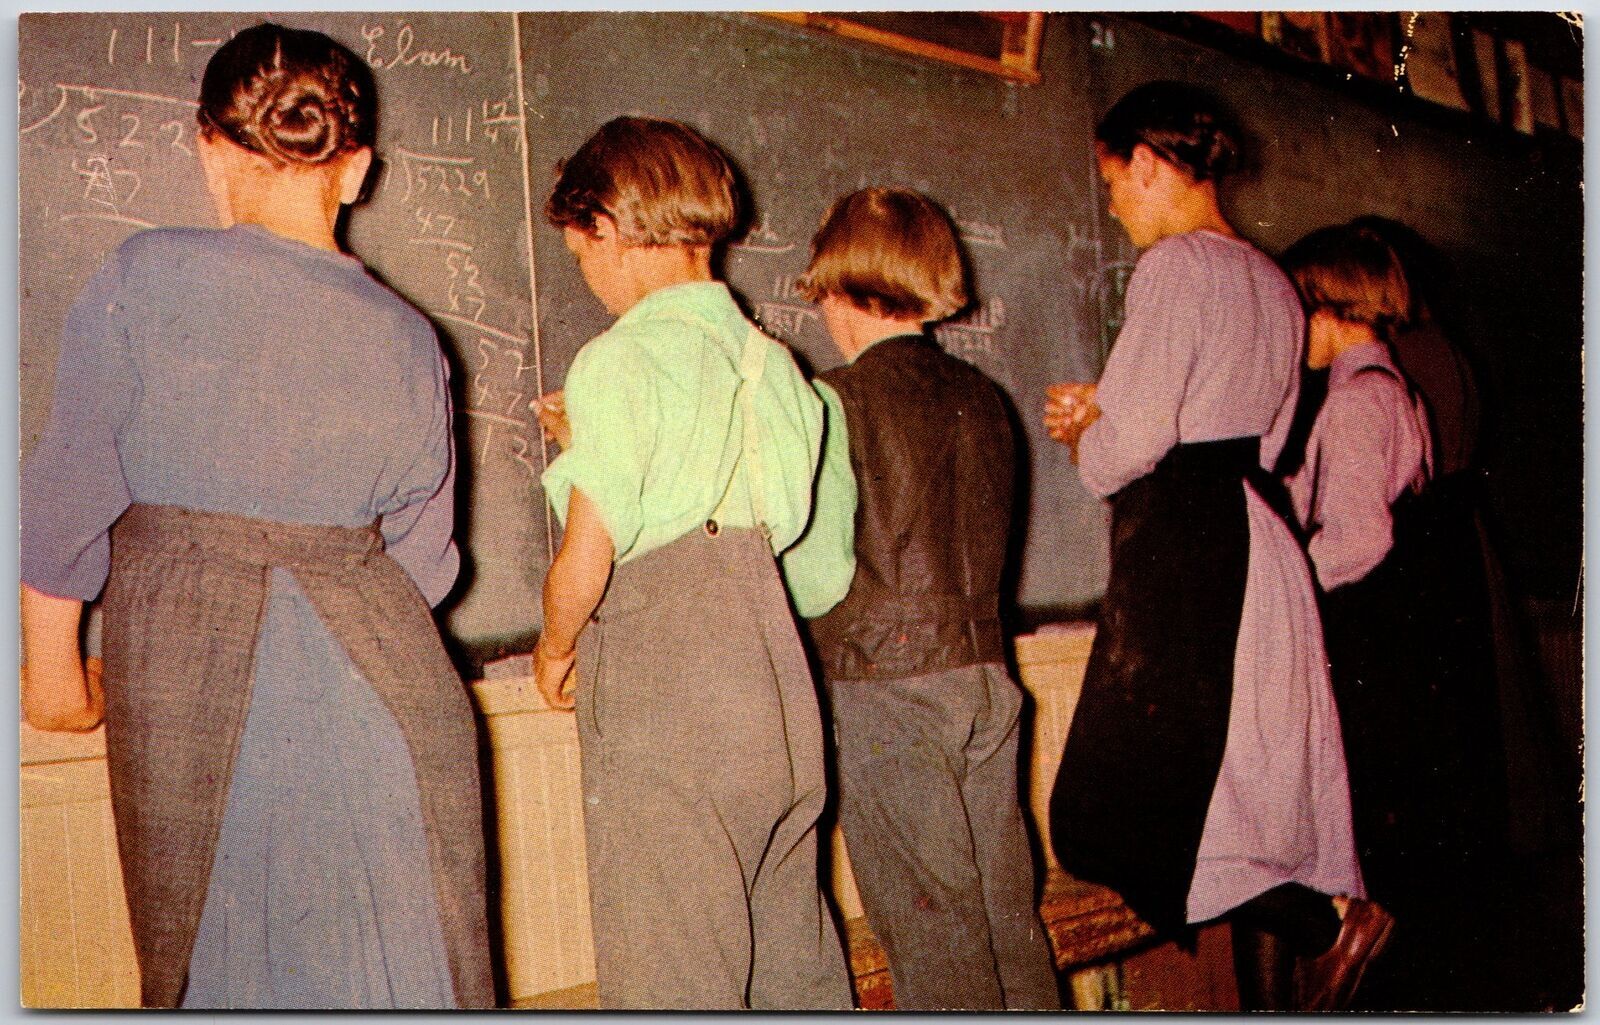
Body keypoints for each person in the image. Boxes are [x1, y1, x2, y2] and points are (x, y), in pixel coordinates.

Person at [18, 24, 492, 1009]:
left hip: (199, 699)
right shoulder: (413, 338)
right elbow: (424, 567)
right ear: (355, 172)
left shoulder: (143, 276)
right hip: (392, 705)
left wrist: (55, 679)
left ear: (208, 148)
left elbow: (65, 497)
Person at [1041, 81, 1385, 1012]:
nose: (1115, 205)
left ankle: (1330, 926)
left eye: (1115, 182)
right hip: (1259, 543)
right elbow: (1265, 439)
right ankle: (1309, 949)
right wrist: (1122, 416)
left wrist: (1083, 430)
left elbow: (1126, 449)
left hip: (1187, 558)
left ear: (1152, 164)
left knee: (1109, 821)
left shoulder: (1174, 268)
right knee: (1249, 811)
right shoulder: (1274, 283)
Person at [531, 115, 854, 1010]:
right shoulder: (781, 368)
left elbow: (587, 558)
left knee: (671, 976)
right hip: (779, 687)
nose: (591, 281)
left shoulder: (617, 360)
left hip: (670, 686)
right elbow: (813, 567)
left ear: (609, 228)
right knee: (796, 970)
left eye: (583, 256)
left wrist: (555, 647)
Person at [784, 188, 1061, 1010]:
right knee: (1009, 925)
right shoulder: (985, 397)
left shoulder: (833, 399)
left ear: (841, 287)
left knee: (936, 947)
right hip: (984, 677)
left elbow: (819, 575)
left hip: (887, 691)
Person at [1280, 223, 1503, 1009]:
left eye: (1300, 311)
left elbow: (1358, 537)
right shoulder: (1393, 389)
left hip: (1365, 635)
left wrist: (1288, 580)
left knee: (1373, 829)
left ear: (1333, 307)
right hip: (1403, 644)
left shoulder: (1355, 402)